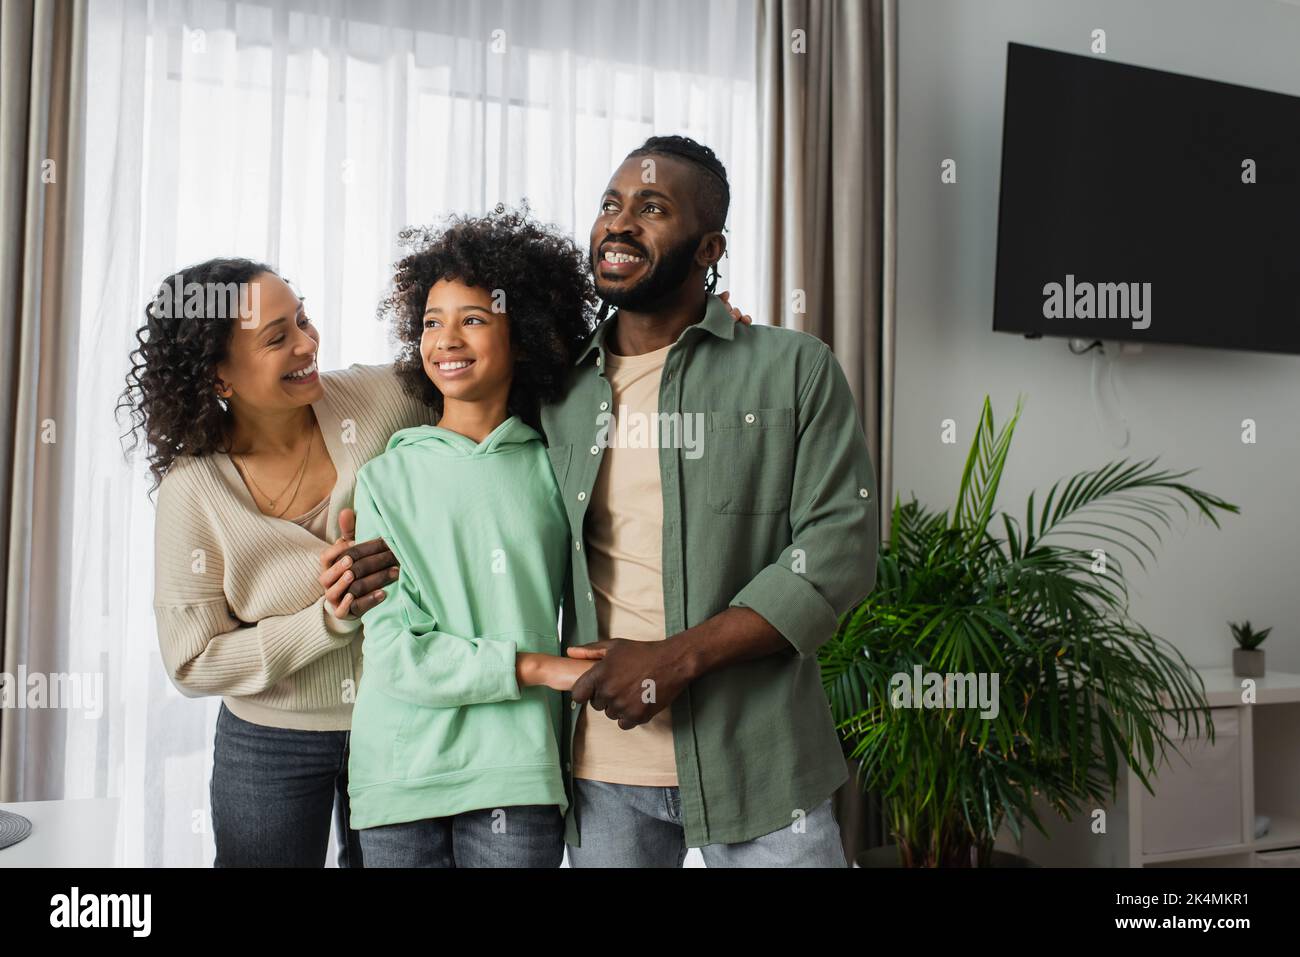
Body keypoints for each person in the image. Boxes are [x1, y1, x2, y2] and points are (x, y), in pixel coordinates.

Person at [542, 135, 880, 867]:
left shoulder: (793, 368)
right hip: (602, 770)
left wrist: (677, 658)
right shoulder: (554, 386)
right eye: (610, 203)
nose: (619, 223)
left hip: (763, 764)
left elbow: (839, 550)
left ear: (708, 247)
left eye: (652, 207)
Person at [120, 259, 429, 866]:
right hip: (269, 742)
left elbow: (482, 396)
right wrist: (326, 621)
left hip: (401, 720)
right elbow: (191, 660)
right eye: (277, 337)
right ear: (220, 376)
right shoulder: (194, 490)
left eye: (304, 320)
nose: (308, 344)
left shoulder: (381, 401)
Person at [344, 209, 596, 867]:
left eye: (474, 319)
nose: (446, 339)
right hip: (399, 777)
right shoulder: (383, 479)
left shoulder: (557, 469)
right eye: (432, 321)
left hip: (518, 775)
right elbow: (397, 652)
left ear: (528, 336)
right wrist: (539, 666)